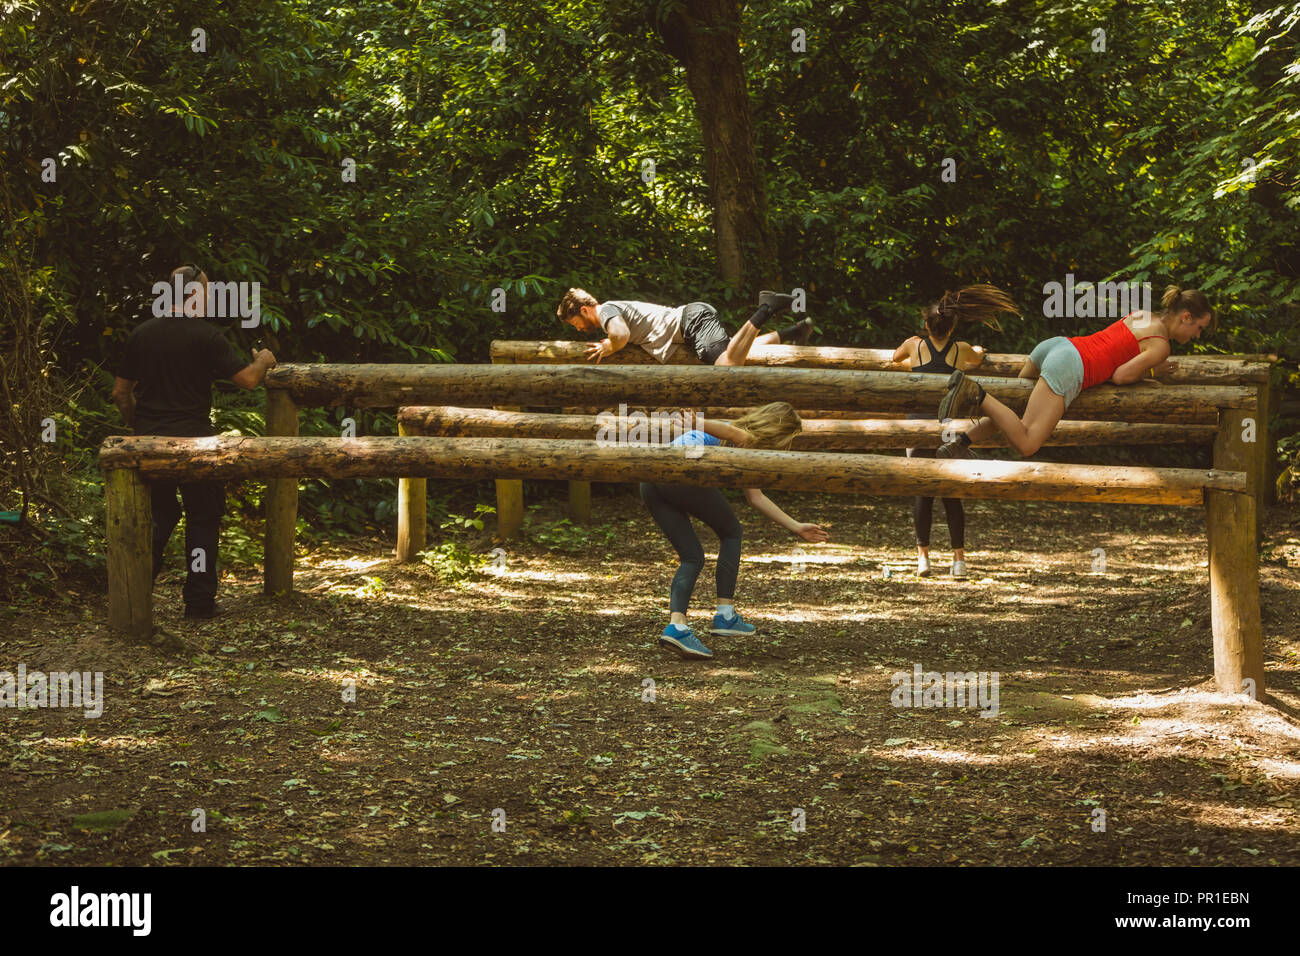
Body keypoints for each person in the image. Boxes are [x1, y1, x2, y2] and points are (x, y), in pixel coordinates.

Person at [111, 264, 278, 619]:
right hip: (196, 445)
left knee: (158, 514)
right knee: (202, 516)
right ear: (194, 294)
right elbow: (248, 380)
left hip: (150, 443)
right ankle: (199, 603)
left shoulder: (142, 334)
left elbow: (121, 392)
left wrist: (138, 425)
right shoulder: (206, 336)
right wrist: (263, 359)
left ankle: (136, 592)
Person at [638, 402, 829, 660]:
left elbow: (756, 498)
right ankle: (725, 615)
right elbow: (735, 434)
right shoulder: (744, 437)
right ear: (777, 431)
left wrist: (796, 527)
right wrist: (699, 423)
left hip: (650, 480)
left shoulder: (743, 445)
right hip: (679, 475)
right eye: (787, 439)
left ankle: (677, 627)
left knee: (692, 556)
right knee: (731, 531)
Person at [935, 286, 1214, 460]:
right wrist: (1153, 369)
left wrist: (1148, 367)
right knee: (1028, 443)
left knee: (1013, 411)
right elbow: (1121, 376)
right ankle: (975, 393)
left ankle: (961, 442)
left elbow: (1119, 346)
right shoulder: (1161, 346)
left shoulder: (1143, 315)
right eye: (1199, 327)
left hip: (1058, 346)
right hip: (1072, 365)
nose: (1196, 335)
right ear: (1186, 316)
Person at [891, 285, 1017, 578]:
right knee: (951, 493)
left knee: (922, 492)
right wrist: (980, 351)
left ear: (926, 325)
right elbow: (978, 359)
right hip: (946, 429)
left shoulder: (913, 344)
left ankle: (923, 559)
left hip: (915, 429)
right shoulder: (960, 350)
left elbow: (896, 357)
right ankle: (958, 561)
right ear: (953, 326)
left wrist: (914, 361)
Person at [556, 288, 814, 366]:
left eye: (574, 323)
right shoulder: (610, 312)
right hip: (689, 325)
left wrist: (610, 346)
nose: (577, 329)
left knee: (727, 366)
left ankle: (766, 308)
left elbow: (620, 335)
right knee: (739, 351)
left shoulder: (607, 311)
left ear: (584, 310)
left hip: (691, 321)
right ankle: (794, 331)